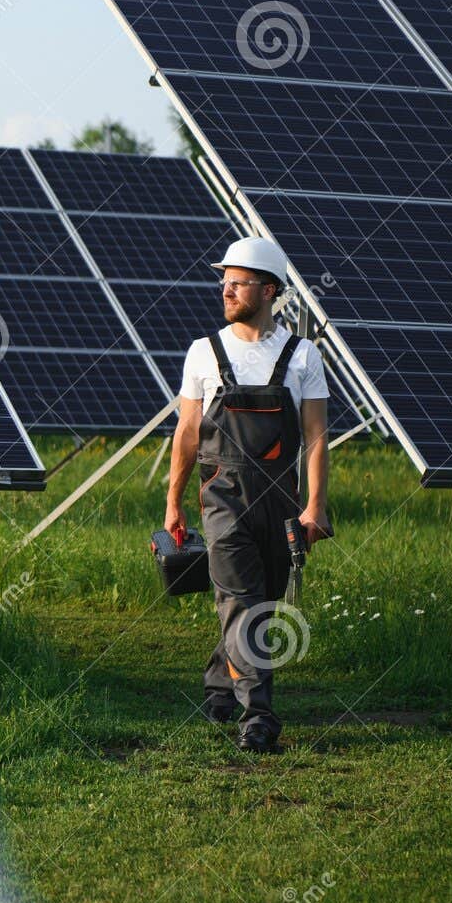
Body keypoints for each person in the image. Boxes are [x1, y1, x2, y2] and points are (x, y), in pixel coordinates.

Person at [164, 237, 331, 754]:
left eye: (237, 283)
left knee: (263, 601)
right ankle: (259, 716)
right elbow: (188, 433)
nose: (226, 290)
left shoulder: (303, 355)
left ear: (269, 290)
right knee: (242, 603)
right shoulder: (203, 351)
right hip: (223, 497)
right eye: (224, 282)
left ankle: (220, 683)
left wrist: (316, 506)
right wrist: (173, 501)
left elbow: (317, 436)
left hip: (282, 500)